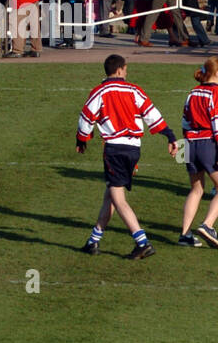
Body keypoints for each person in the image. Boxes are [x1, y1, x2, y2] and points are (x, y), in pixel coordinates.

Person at [76, 54, 179, 259]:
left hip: (114, 148)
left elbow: (86, 117)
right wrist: (169, 135)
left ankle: (142, 242)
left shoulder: (100, 91)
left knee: (118, 197)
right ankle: (93, 240)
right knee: (111, 194)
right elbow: (151, 113)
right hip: (134, 149)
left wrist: (82, 139)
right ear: (121, 70)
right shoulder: (134, 90)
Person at [178, 57, 218, 250]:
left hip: (189, 144)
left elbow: (185, 121)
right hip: (208, 144)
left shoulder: (193, 92)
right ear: (217, 72)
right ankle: (207, 225)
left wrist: (183, 146)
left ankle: (185, 233)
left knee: (196, 189)